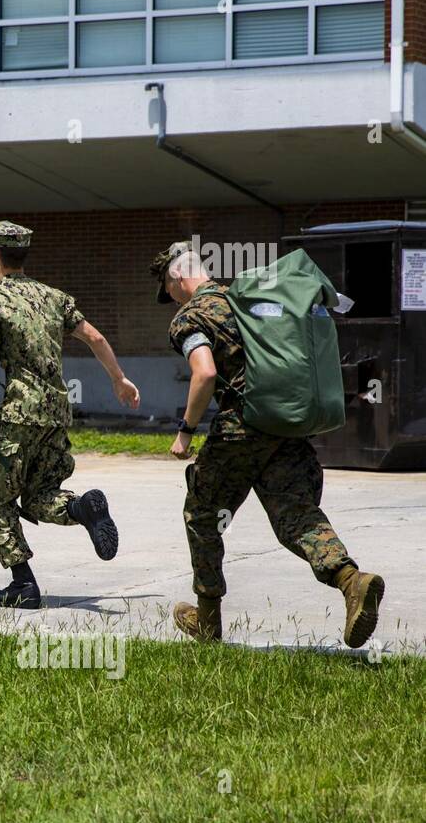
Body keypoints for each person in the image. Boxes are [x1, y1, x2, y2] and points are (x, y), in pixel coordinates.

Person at [152, 240, 384, 647]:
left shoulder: (190, 317)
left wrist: (185, 431)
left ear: (178, 278)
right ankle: (353, 581)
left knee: (203, 514)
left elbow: (204, 374)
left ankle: (208, 619)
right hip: (285, 421)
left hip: (242, 426)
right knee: (295, 513)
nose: (170, 300)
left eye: (168, 291)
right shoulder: (244, 300)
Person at [0, 221, 141, 608]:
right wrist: (119, 380)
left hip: (19, 414)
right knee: (39, 497)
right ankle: (82, 508)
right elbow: (96, 338)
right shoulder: (55, 298)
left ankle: (23, 586)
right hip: (56, 414)